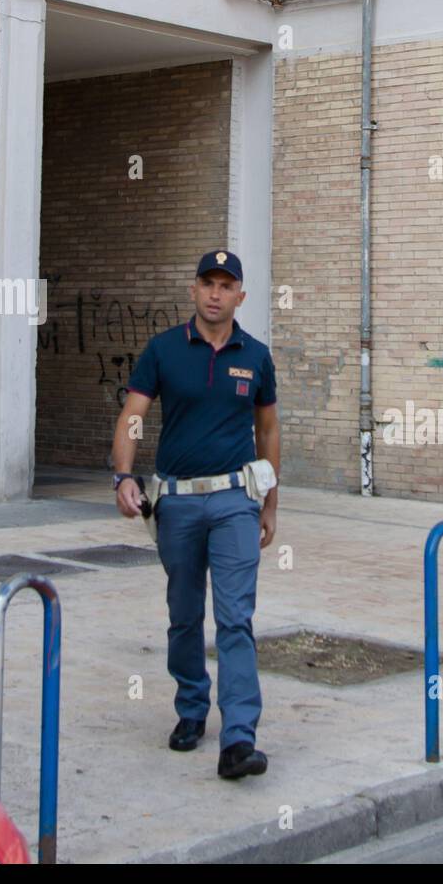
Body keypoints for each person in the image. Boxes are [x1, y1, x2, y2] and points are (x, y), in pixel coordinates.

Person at [110, 250, 280, 780]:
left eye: (226, 286)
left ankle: (239, 738)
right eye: (207, 283)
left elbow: (268, 430)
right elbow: (133, 416)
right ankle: (190, 708)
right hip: (177, 503)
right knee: (185, 615)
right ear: (194, 290)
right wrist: (123, 474)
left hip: (235, 501)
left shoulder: (255, 356)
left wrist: (270, 501)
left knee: (235, 619)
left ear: (240, 297)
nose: (215, 293)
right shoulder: (163, 349)